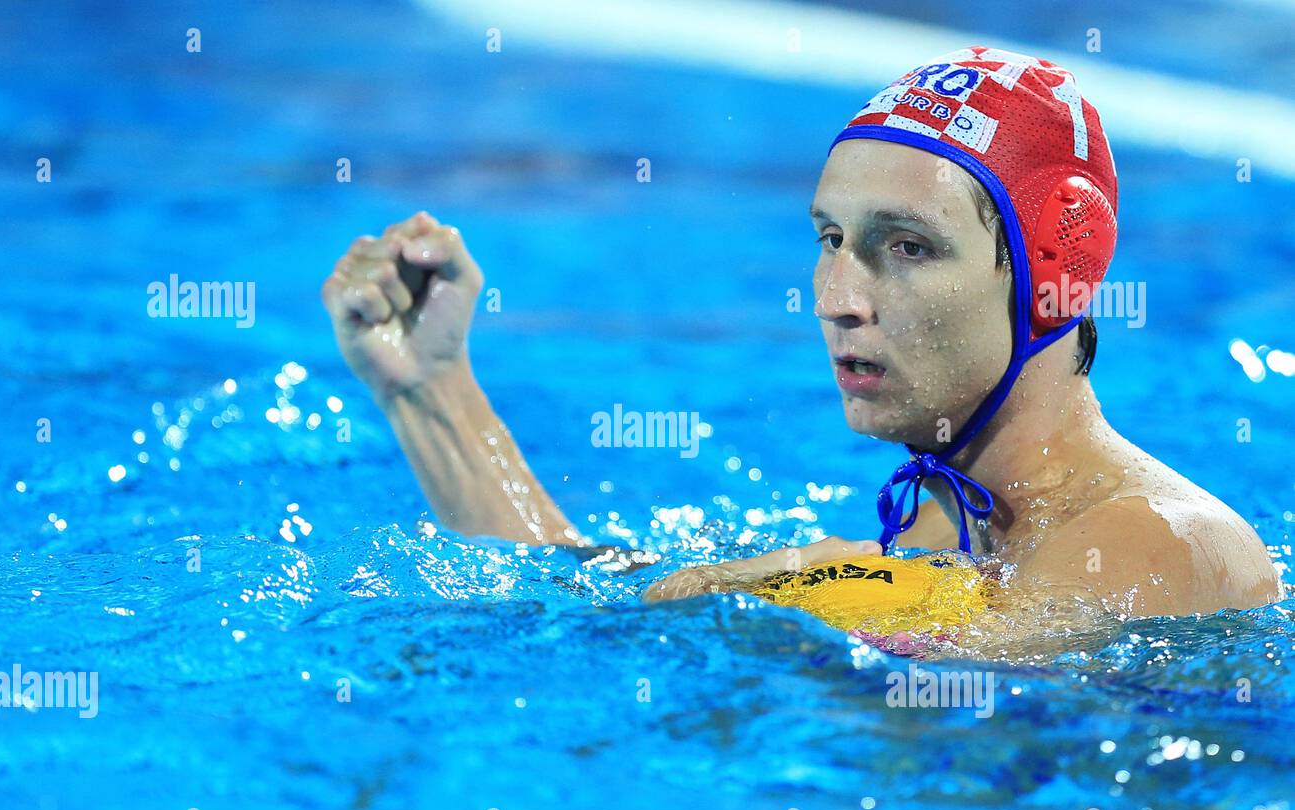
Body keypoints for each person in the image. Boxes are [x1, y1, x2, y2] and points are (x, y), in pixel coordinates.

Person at [321, 47, 1280, 649]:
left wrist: (773, 579)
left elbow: (944, 679)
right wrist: (430, 389)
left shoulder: (1155, 541)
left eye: (906, 247)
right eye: (830, 240)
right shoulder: (950, 522)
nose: (839, 300)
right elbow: (591, 596)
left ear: (1051, 276)